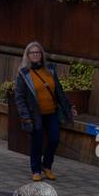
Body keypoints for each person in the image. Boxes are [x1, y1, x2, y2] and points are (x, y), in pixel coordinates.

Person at [14, 41, 75, 182]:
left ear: (41, 54)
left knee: (54, 139)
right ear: (28, 56)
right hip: (35, 115)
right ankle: (35, 170)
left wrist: (69, 106)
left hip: (51, 112)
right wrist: (25, 117)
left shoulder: (50, 70)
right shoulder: (24, 74)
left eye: (38, 52)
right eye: (32, 53)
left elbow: (59, 91)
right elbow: (19, 98)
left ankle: (47, 166)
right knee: (37, 142)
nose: (35, 55)